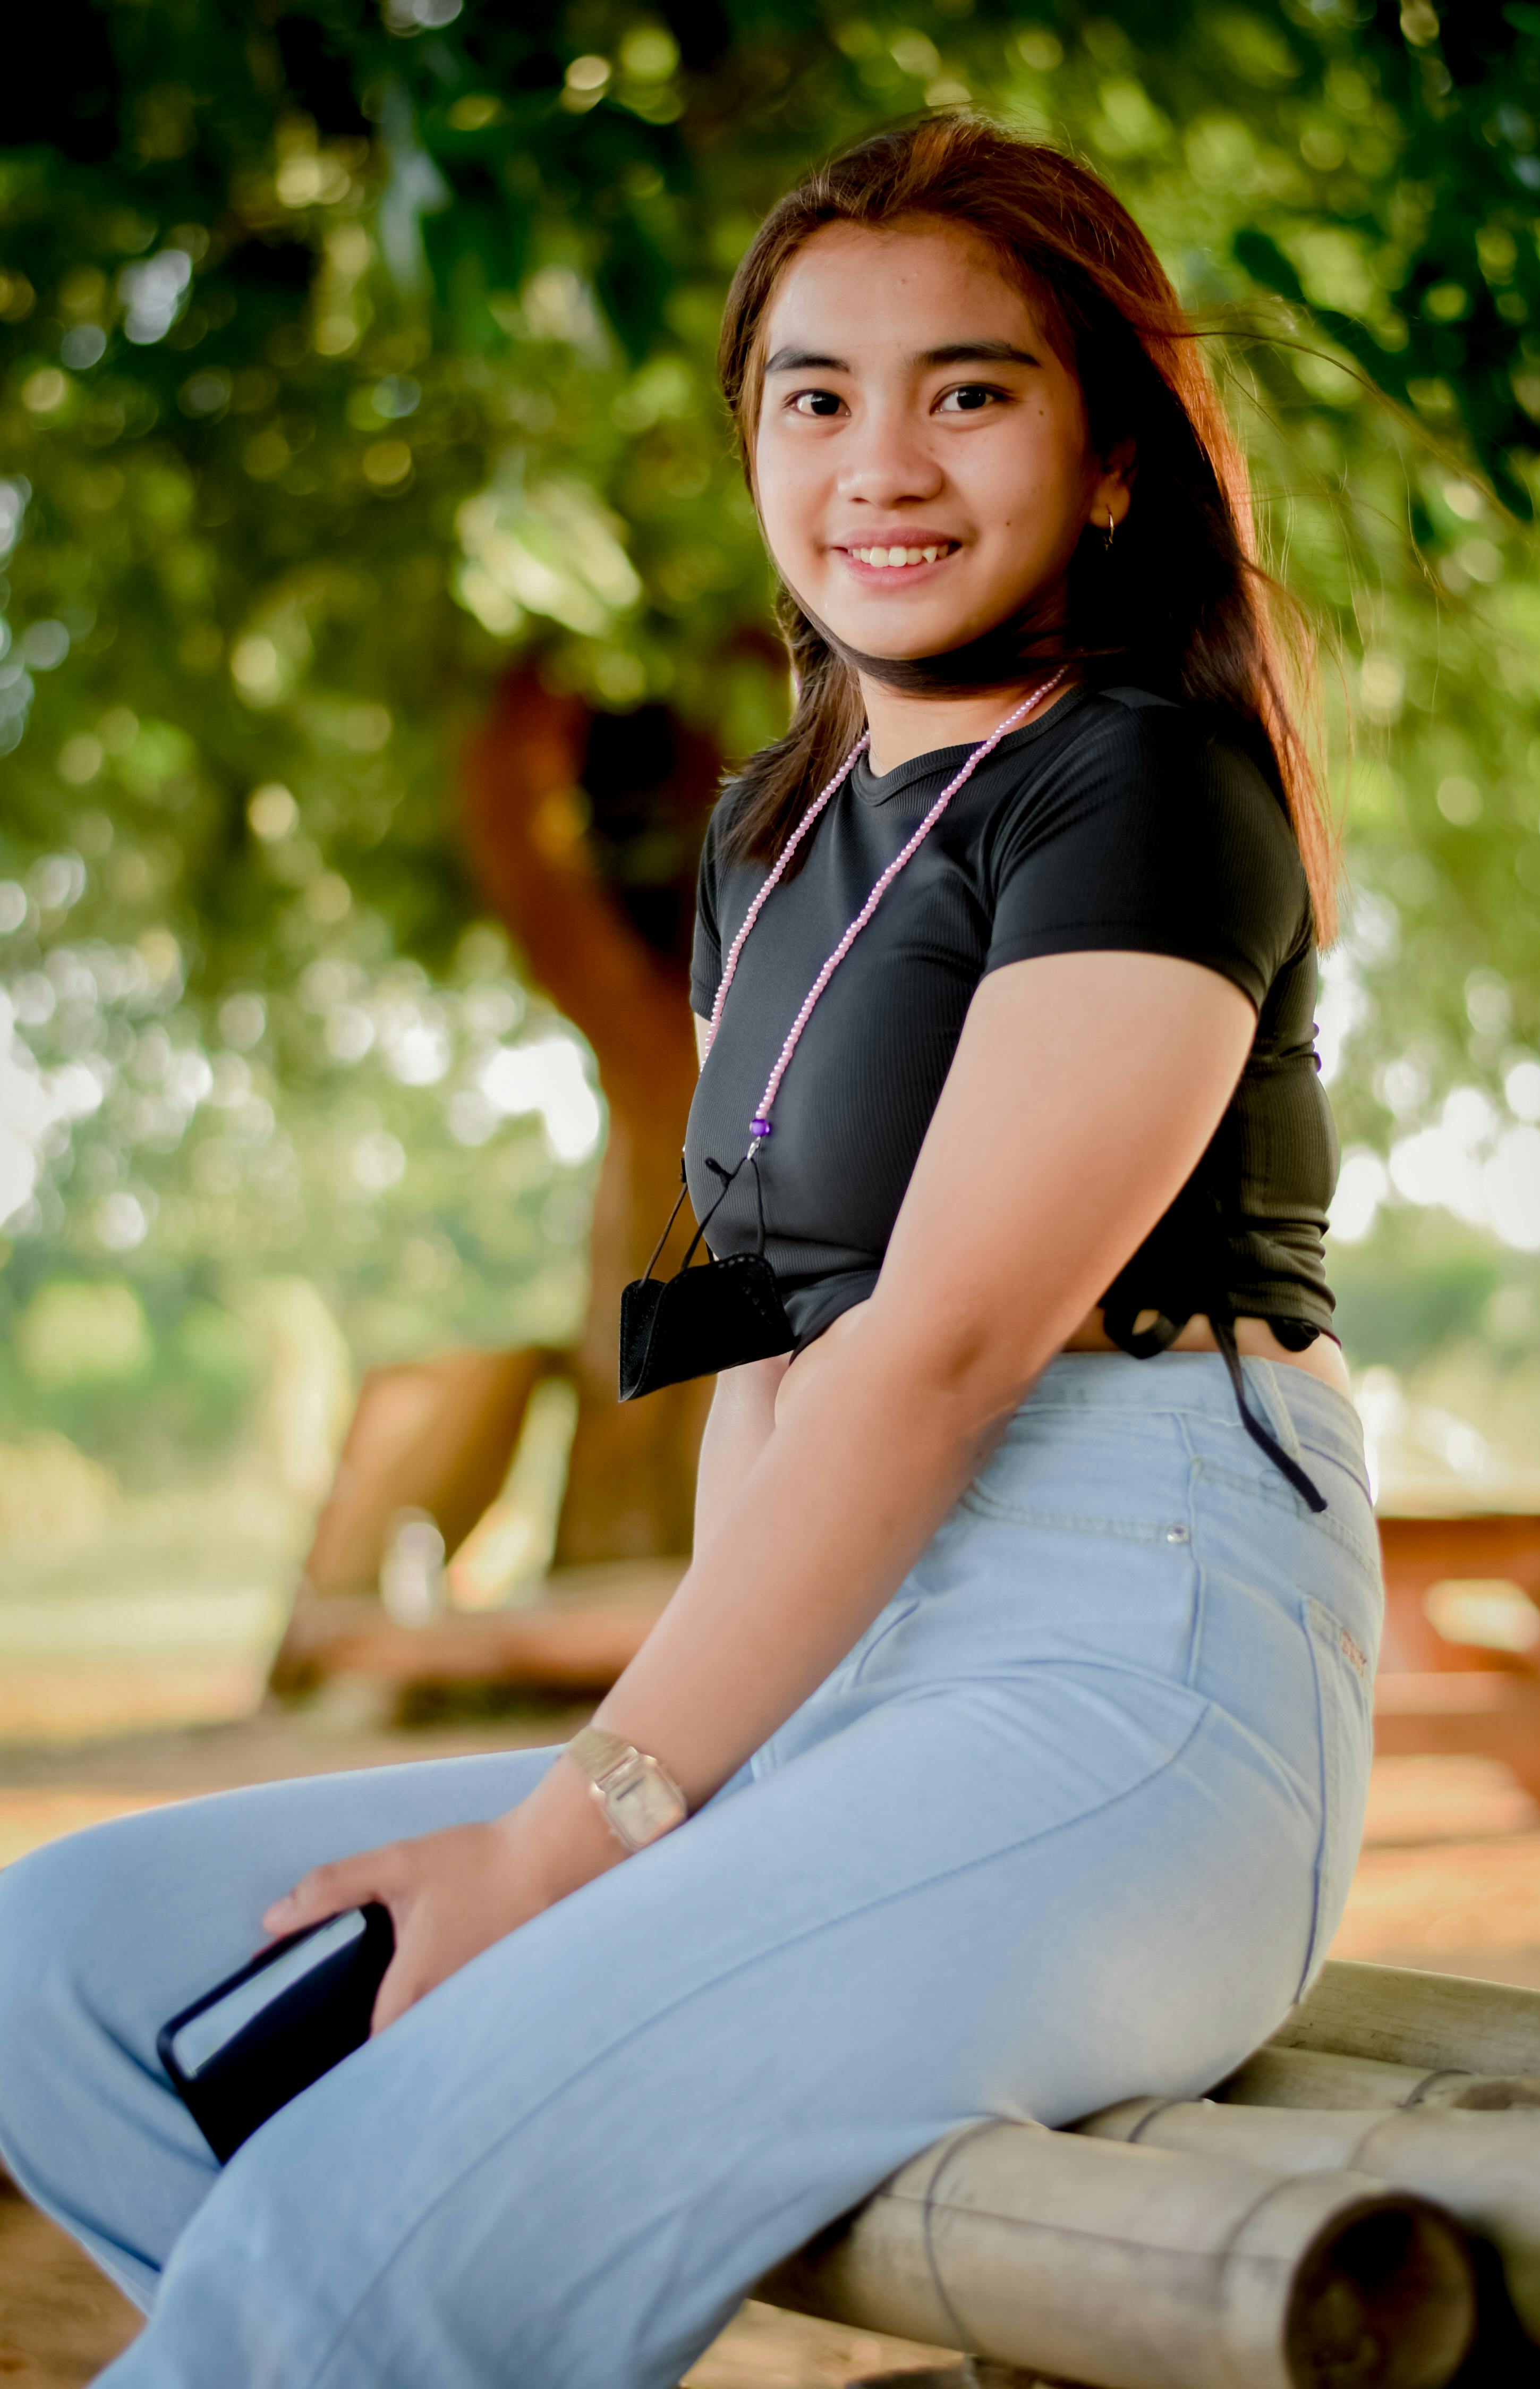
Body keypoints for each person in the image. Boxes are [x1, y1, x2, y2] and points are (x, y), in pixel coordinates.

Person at [0, 115, 1380, 2389]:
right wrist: (695, 1761)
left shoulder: (1142, 780)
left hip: (1130, 1669)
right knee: (64, 1971)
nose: (881, 461)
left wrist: (575, 1835)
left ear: (1113, 460)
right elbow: (776, 1351)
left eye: (970, 389)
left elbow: (934, 1359)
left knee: (357, 2224)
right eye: (813, 394)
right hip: (852, 1666)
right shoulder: (775, 828)